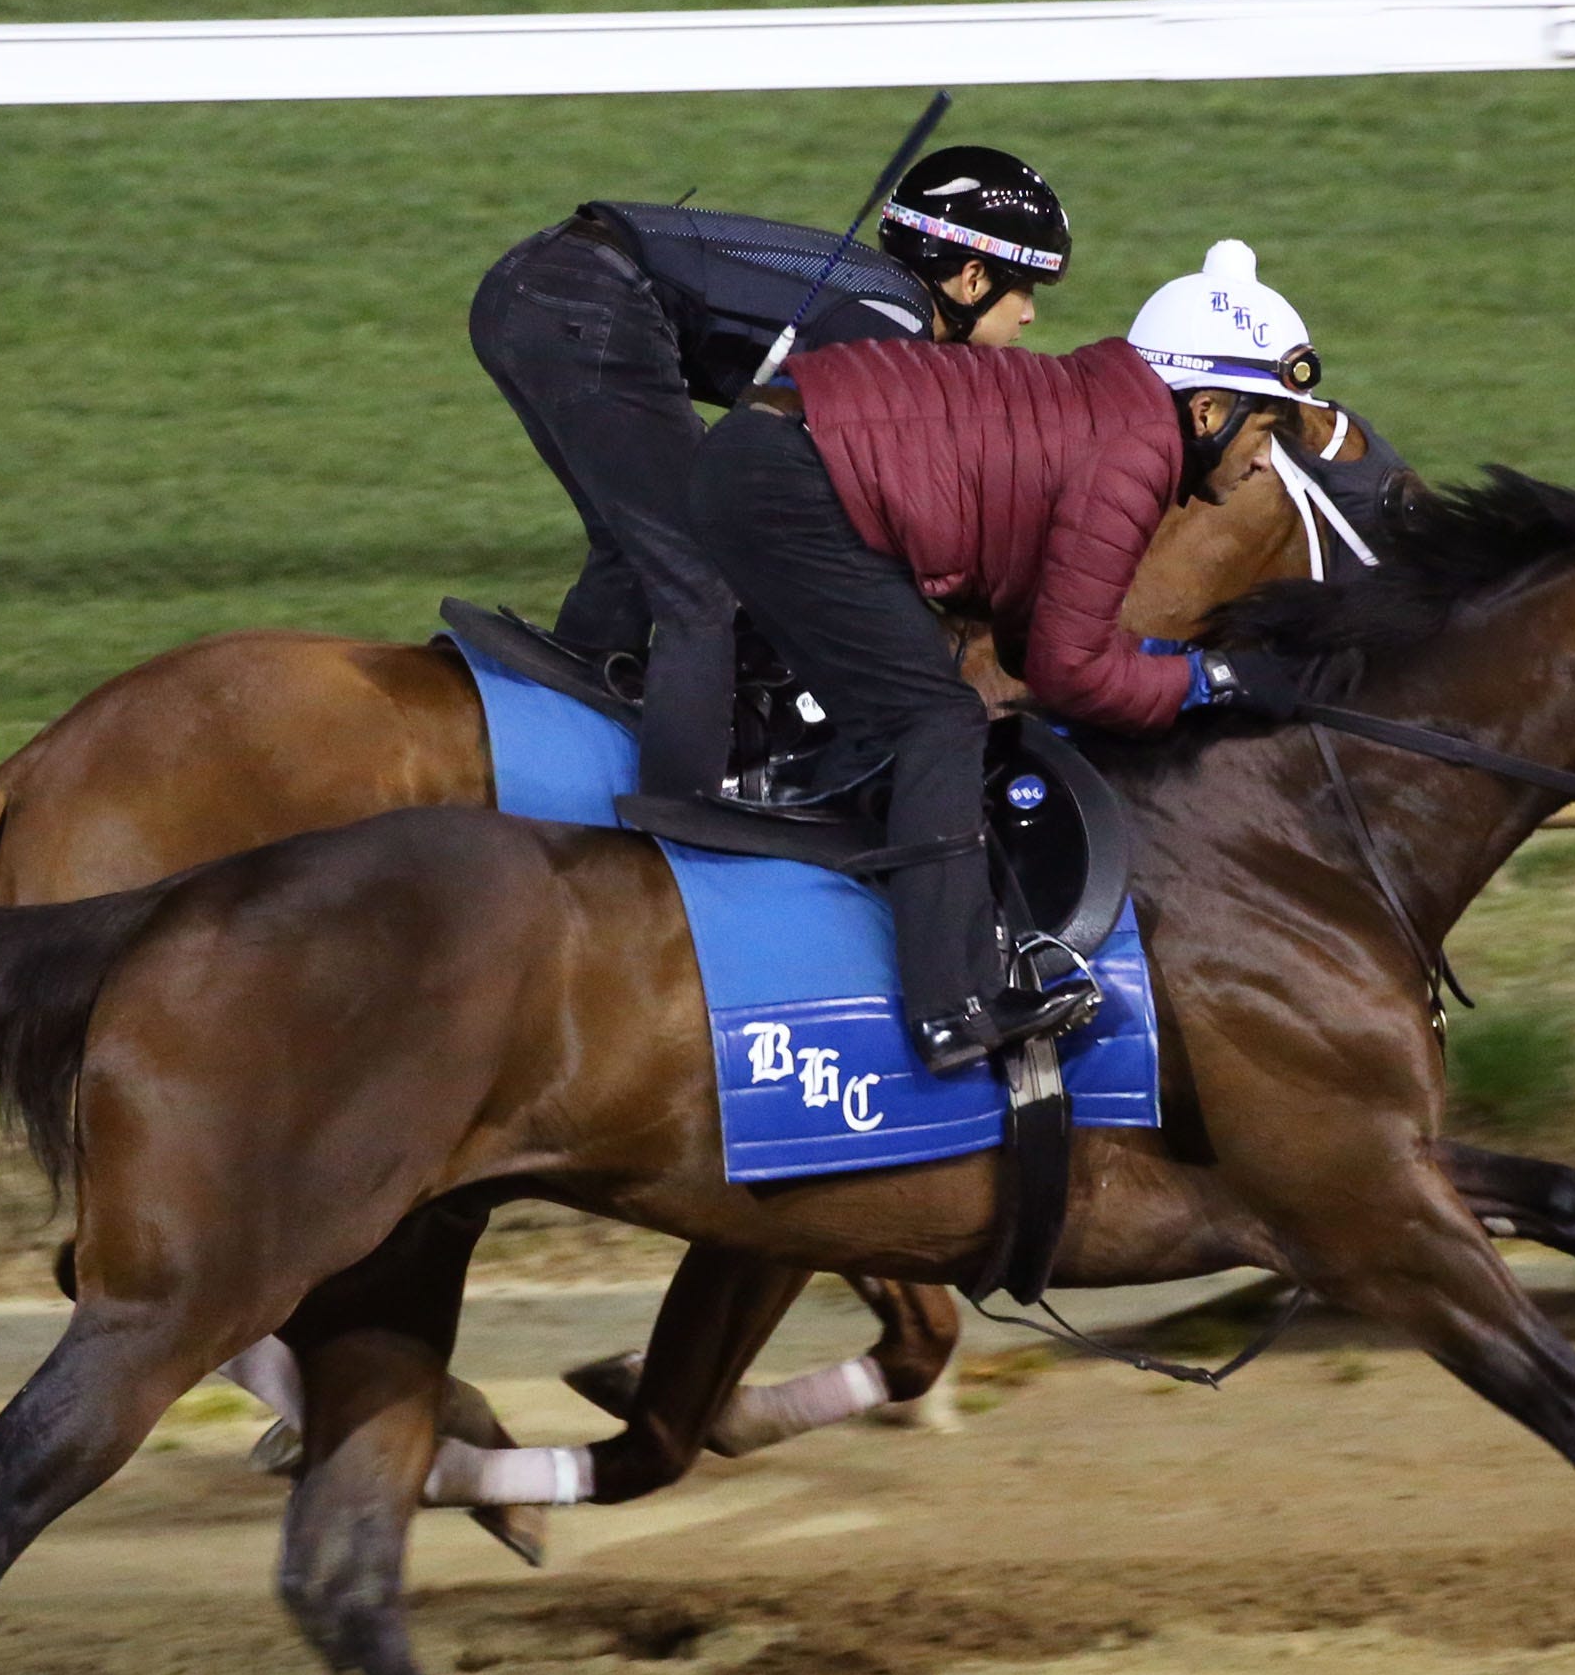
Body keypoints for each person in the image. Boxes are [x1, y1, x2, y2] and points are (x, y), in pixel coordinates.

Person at [690, 239, 1325, 1075]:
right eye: (1267, 430)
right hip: (788, 477)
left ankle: (792, 829)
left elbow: (1043, 643)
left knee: (919, 702)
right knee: (936, 722)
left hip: (775, 456)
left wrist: (1163, 668)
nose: (1262, 462)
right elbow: (1066, 671)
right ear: (1207, 411)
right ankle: (953, 1007)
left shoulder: (1114, 413)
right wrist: (1212, 679)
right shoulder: (1132, 455)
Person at [467, 148, 1072, 798]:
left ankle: (570, 735)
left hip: (528, 290)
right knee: (700, 572)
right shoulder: (890, 324)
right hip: (582, 302)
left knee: (641, 544)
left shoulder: (874, 300)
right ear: (972, 279)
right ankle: (679, 821)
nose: (1030, 316)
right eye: (1025, 290)